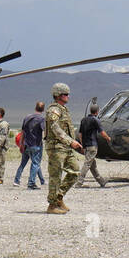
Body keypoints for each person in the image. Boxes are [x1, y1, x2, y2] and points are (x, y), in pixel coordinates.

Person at [44, 82, 82, 214]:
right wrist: (70, 141)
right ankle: (52, 205)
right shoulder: (54, 110)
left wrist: (72, 142)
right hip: (56, 147)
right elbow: (55, 128)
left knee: (75, 171)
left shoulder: (63, 109)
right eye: (65, 94)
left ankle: (59, 197)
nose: (68, 96)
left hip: (66, 147)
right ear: (58, 95)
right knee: (56, 176)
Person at [75, 103, 111, 188]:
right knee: (87, 164)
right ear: (97, 111)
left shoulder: (83, 120)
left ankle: (101, 181)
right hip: (92, 145)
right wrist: (108, 138)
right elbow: (102, 132)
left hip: (86, 146)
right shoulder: (96, 120)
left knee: (92, 165)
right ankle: (79, 182)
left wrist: (83, 144)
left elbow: (80, 134)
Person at [15, 101, 46, 188]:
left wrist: (21, 144)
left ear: (35, 107)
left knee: (24, 163)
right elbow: (45, 131)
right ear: (43, 109)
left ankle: (17, 180)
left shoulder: (27, 117)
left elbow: (23, 132)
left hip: (26, 144)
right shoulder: (42, 119)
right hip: (36, 144)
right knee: (36, 164)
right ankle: (31, 183)